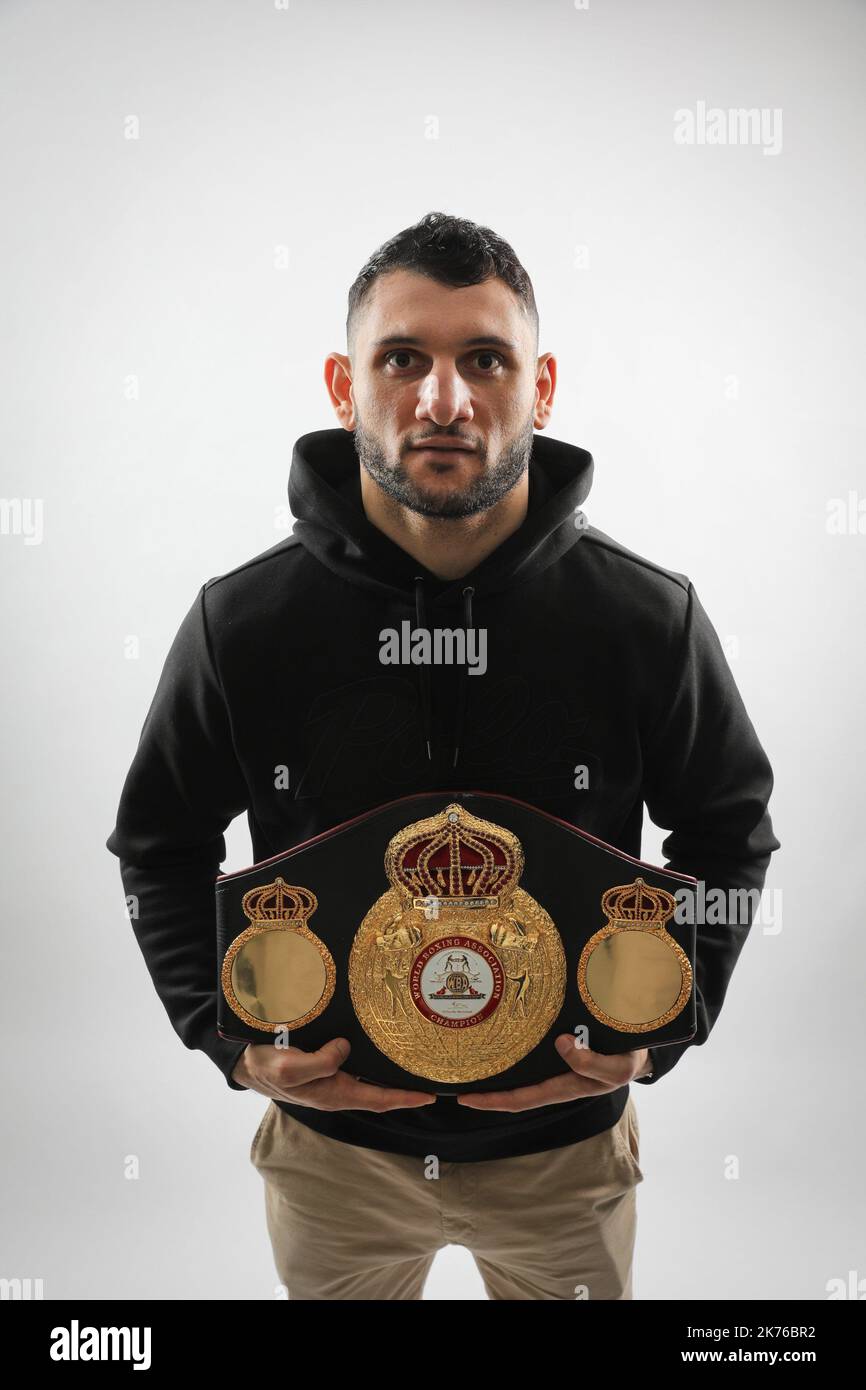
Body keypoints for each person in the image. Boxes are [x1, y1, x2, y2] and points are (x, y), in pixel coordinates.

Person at [106, 211, 780, 1300]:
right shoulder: (245, 622)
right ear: (342, 384)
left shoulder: (645, 618)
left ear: (540, 386)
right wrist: (226, 1044)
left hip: (564, 1151)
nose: (443, 399)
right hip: (333, 1159)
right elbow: (158, 845)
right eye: (402, 358)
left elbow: (728, 829)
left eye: (484, 359)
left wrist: (662, 1029)